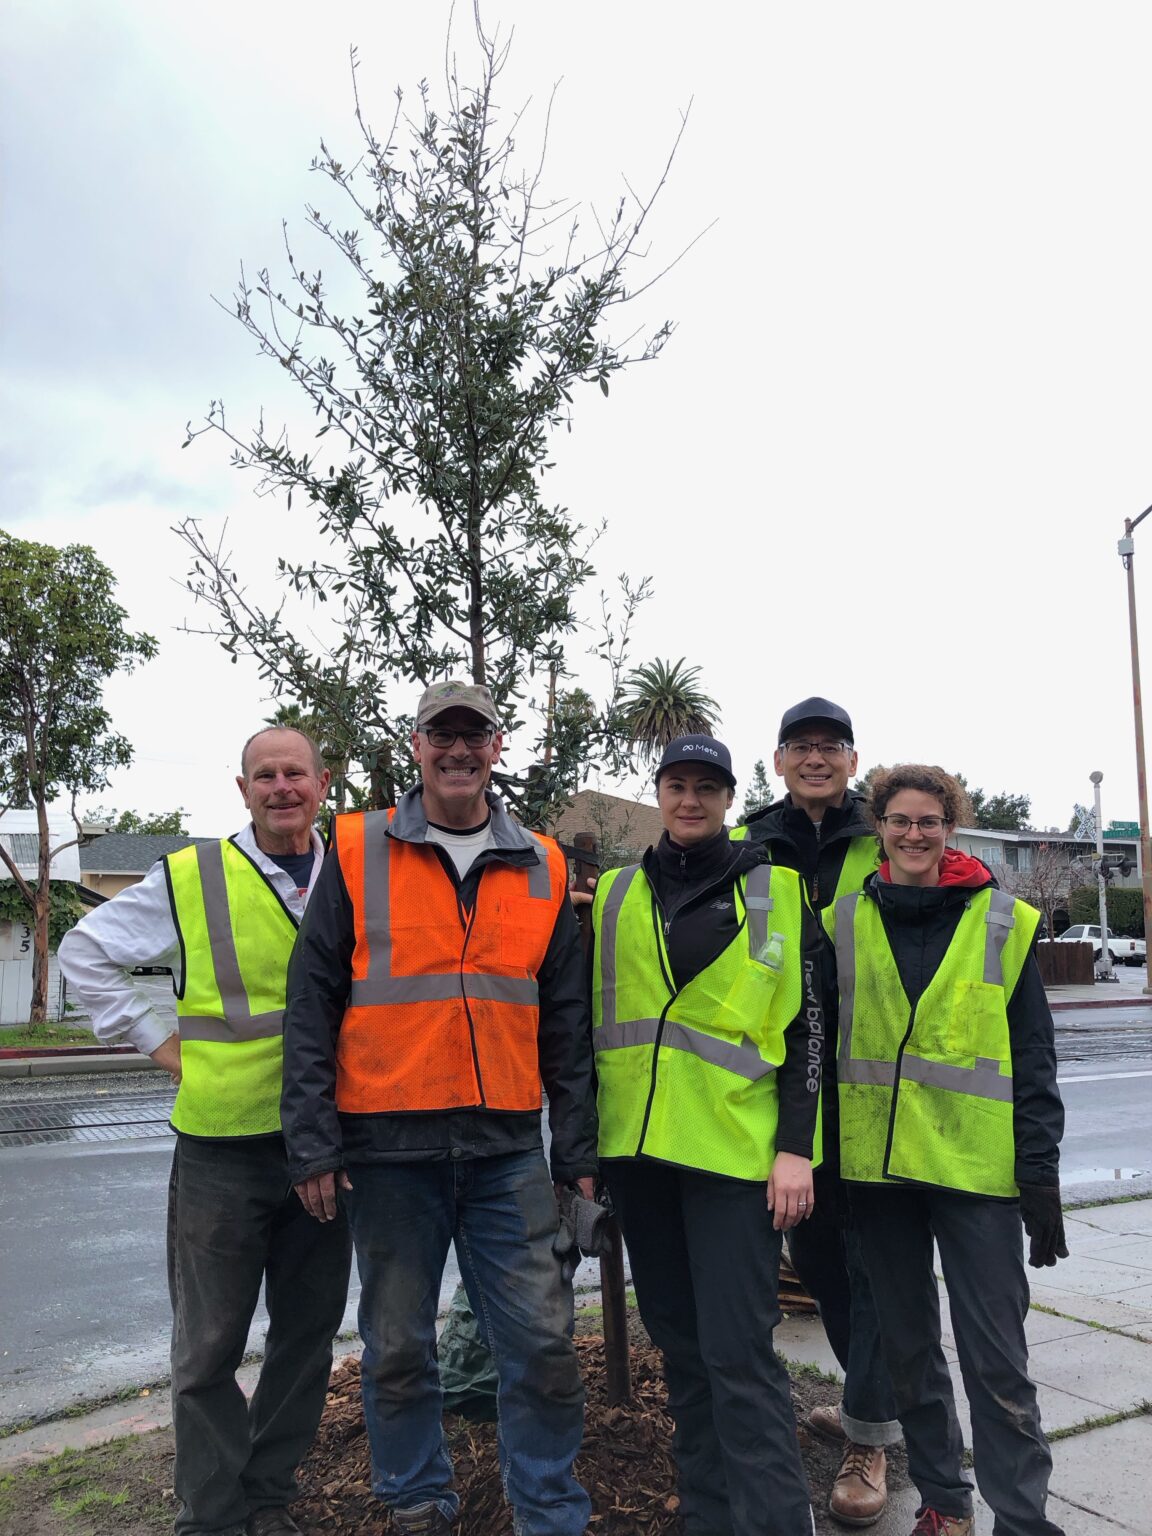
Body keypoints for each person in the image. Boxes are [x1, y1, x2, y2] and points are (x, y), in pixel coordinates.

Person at [280, 679, 597, 1536]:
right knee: (397, 1346)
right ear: (414, 745)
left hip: (504, 1151)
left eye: (475, 736)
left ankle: (549, 1510)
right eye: (440, 735)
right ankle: (417, 1499)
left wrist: (577, 1156)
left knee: (538, 1344)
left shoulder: (543, 862)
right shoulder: (356, 848)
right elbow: (310, 1004)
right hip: (385, 1149)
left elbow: (566, 1023)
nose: (458, 750)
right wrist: (311, 1144)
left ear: (499, 748)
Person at [58, 727, 353, 1536]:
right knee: (207, 1351)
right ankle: (214, 1517)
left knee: (307, 1336)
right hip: (223, 1145)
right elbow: (83, 952)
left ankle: (267, 1499)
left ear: (323, 783)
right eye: (266, 775)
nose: (281, 787)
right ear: (242, 788)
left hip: (326, 1146)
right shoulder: (193, 877)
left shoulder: (357, 874)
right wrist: (162, 1044)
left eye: (296, 772)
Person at [591, 734, 823, 1536]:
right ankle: (709, 1515)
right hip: (642, 1159)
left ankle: (778, 1523)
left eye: (707, 788)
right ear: (658, 792)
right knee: (682, 1354)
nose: (690, 800)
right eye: (676, 785)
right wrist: (584, 1154)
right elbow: (587, 1028)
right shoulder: (616, 894)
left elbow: (809, 1030)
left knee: (739, 1356)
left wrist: (797, 1147)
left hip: (733, 1159)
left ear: (730, 798)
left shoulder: (777, 891)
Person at [833, 764, 1067, 1536]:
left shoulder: (1003, 922)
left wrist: (1039, 1173)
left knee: (996, 1363)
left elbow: (1033, 1059)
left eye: (929, 821)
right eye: (899, 820)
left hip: (975, 1177)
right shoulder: (840, 923)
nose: (913, 834)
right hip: (879, 1176)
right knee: (910, 1356)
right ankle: (944, 1505)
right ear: (879, 828)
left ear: (949, 828)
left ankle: (1023, 1519)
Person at [735, 697, 899, 1527]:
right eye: (800, 746)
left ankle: (870, 1436)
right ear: (778, 760)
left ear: (850, 757)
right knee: (820, 1257)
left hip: (869, 1081)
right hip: (790, 1086)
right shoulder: (751, 842)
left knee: (871, 1264)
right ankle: (875, 1403)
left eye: (829, 747)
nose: (815, 759)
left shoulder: (884, 835)